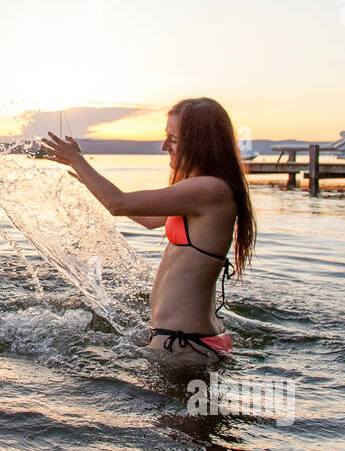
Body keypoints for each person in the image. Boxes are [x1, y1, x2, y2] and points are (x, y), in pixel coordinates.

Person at [38, 97, 255, 362]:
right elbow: (148, 219)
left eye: (173, 139)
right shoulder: (202, 188)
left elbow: (118, 203)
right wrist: (88, 180)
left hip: (185, 345)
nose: (165, 146)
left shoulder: (209, 189)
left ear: (200, 142)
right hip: (185, 340)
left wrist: (77, 160)